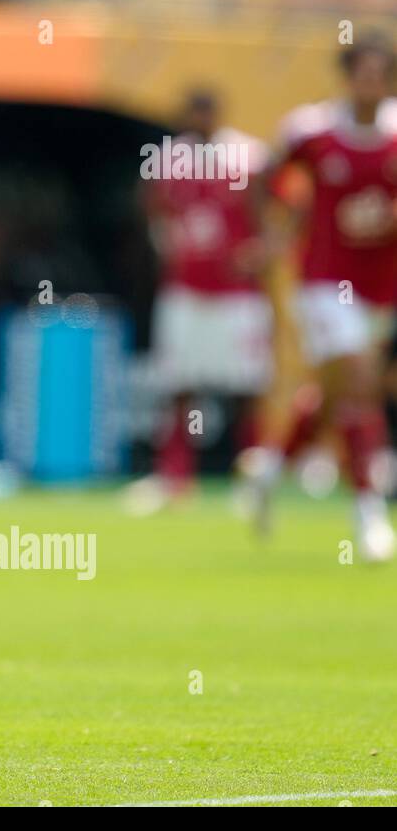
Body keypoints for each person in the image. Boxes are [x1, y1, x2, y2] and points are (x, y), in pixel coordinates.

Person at [238, 33, 397, 562]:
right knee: (357, 384)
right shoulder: (314, 131)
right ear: (348, 75)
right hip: (326, 283)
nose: (370, 83)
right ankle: (370, 514)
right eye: (362, 72)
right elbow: (266, 174)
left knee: (338, 398)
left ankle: (269, 469)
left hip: (381, 288)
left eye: (380, 73)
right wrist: (274, 233)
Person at [124, 90, 271, 515]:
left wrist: (262, 250)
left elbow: (276, 210)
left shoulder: (247, 156)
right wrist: (163, 244)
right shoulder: (168, 160)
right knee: (177, 386)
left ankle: (252, 480)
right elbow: (149, 207)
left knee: (247, 388)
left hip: (237, 295)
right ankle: (174, 478)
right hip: (185, 290)